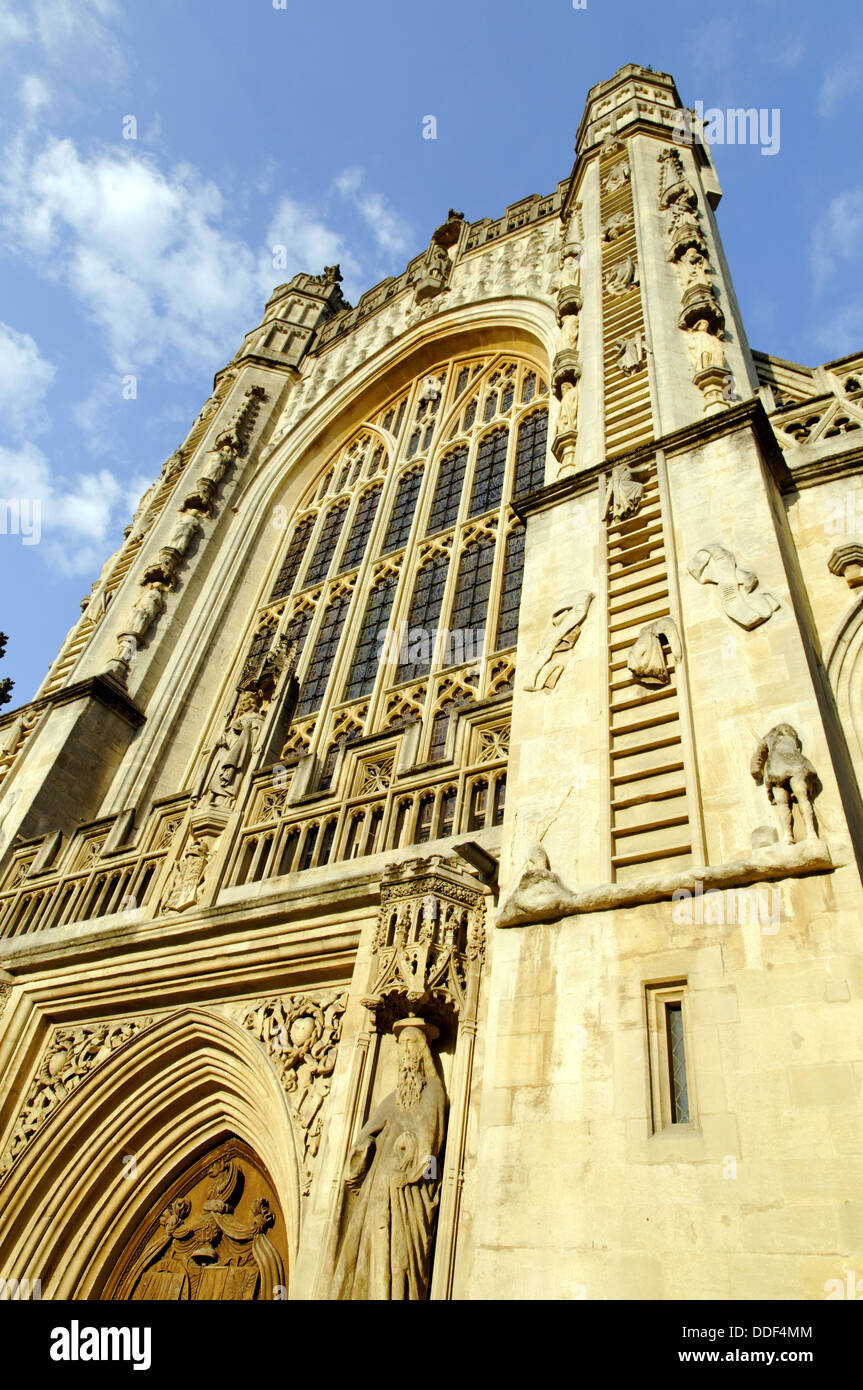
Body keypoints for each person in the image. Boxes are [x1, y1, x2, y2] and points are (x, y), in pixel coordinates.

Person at [330, 1019, 446, 1300]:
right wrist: (365, 1148)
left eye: (411, 1043)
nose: (406, 1049)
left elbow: (432, 1137)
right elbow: (366, 1133)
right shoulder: (392, 1099)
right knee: (373, 1254)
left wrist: (412, 1166)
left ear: (422, 1050)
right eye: (402, 1043)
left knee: (403, 1257)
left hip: (408, 1192)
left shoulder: (433, 1091)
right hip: (379, 1189)